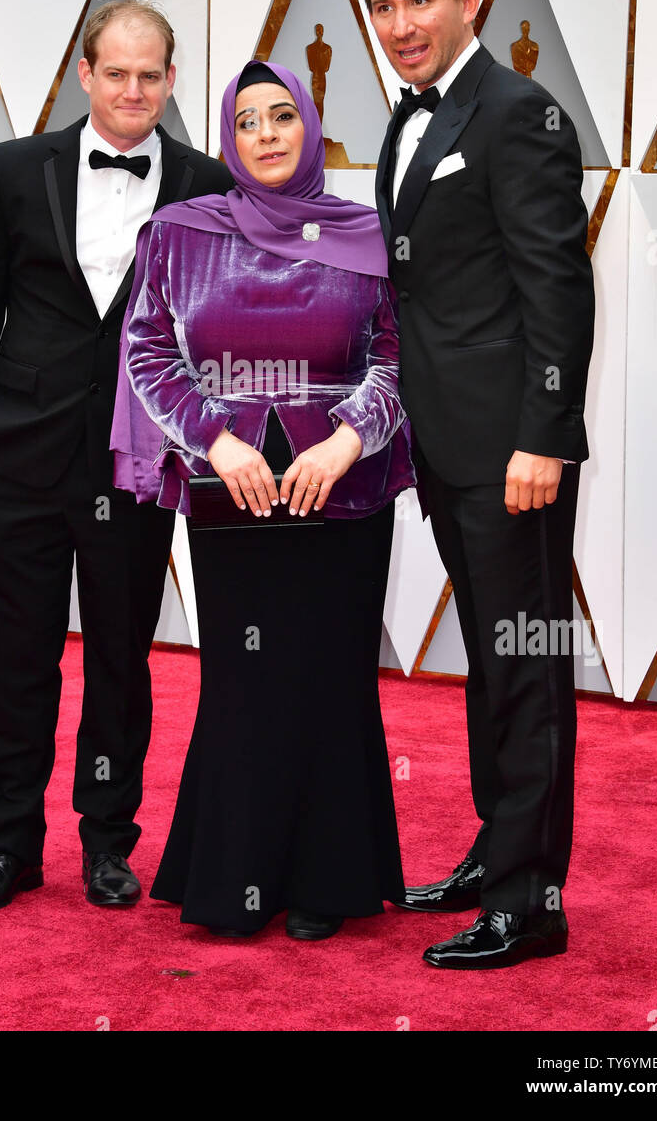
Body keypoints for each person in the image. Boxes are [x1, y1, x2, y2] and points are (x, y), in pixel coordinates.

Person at [0, 0, 233, 913]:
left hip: (135, 465)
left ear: (171, 81)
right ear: (85, 75)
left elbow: (217, 321)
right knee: (16, 661)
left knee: (118, 659)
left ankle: (108, 844)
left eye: (151, 75)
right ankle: (9, 848)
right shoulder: (16, 168)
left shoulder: (205, 182)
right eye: (117, 73)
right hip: (14, 459)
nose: (133, 90)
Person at [111, 60, 414, 940]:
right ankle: (236, 875)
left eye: (283, 116)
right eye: (247, 122)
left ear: (311, 126)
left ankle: (327, 880)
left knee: (329, 677)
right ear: (228, 139)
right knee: (243, 681)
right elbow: (149, 352)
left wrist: (349, 436)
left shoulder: (364, 235)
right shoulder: (180, 231)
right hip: (229, 494)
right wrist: (215, 437)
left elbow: (395, 358)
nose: (267, 134)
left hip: (344, 495)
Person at [357, 0, 595, 969]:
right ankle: (498, 854)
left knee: (528, 665)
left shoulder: (519, 114)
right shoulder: (413, 115)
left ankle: (530, 901)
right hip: (450, 451)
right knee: (493, 666)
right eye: (384, 4)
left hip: (514, 457)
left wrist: (545, 433)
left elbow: (559, 290)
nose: (402, 22)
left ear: (469, 1)